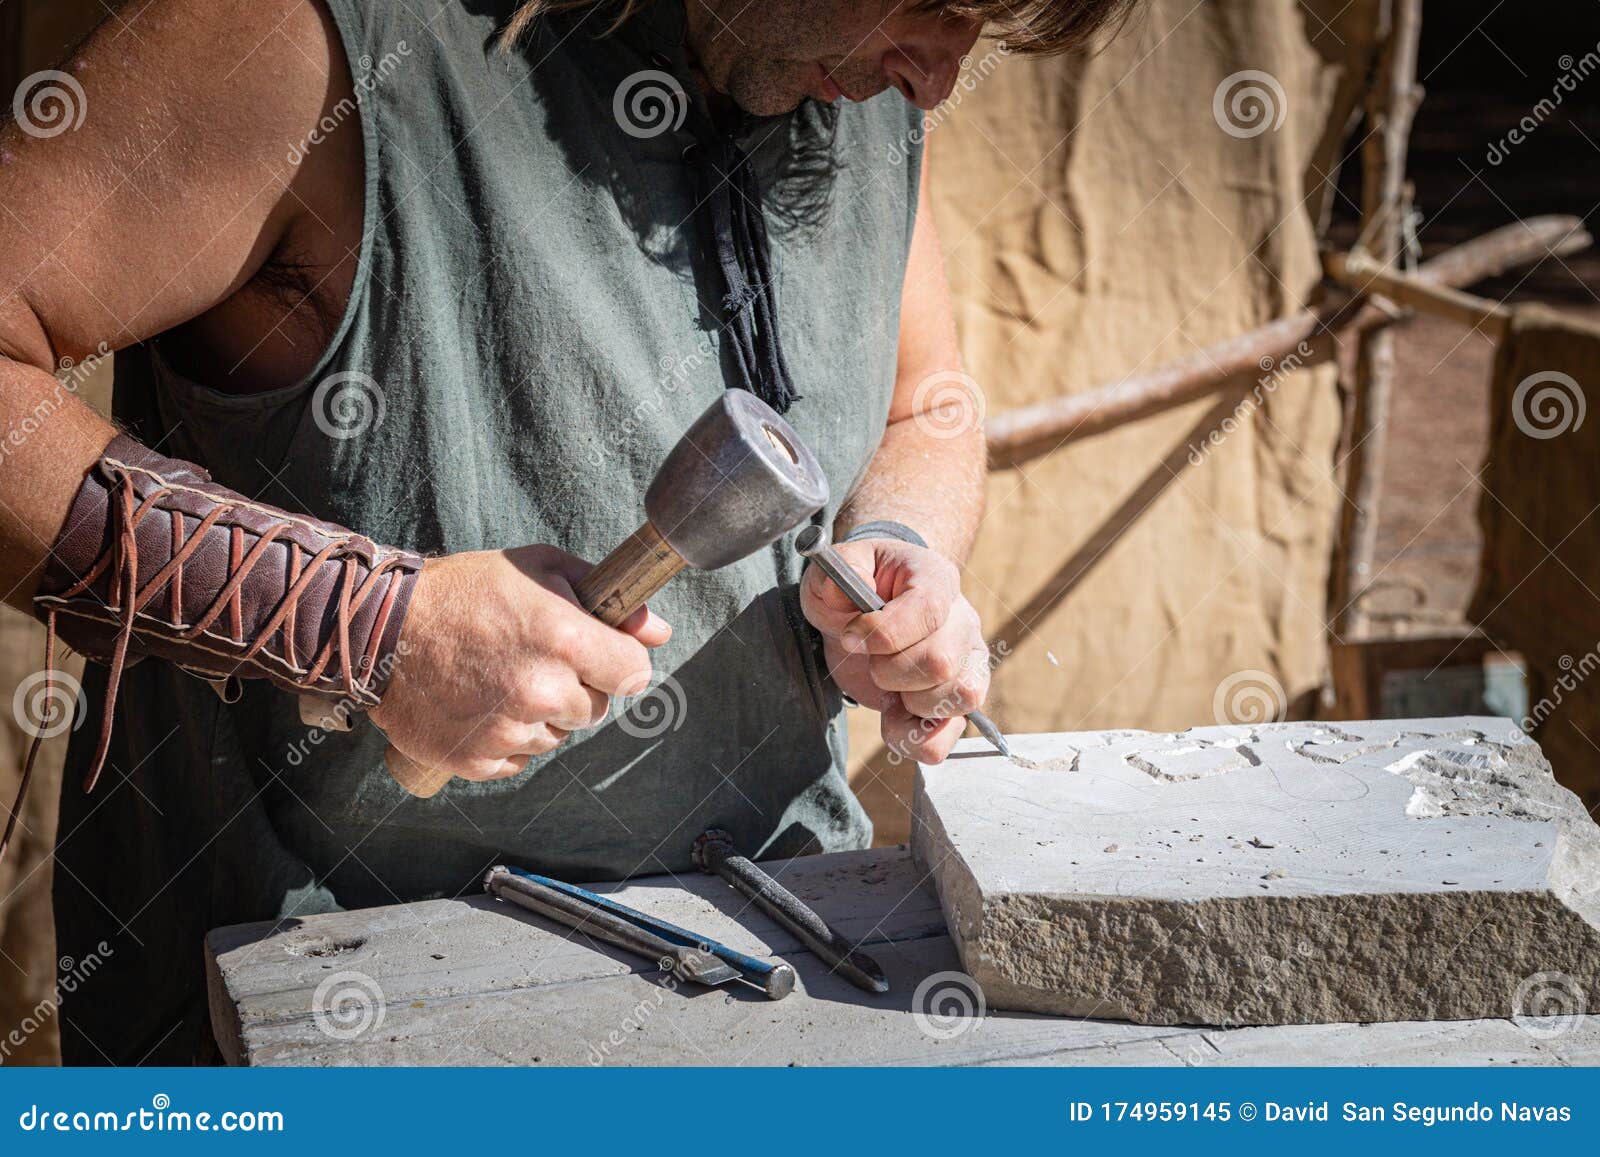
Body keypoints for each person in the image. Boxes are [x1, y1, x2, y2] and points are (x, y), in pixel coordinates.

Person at [0, 0, 1136, 1062]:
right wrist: (364, 622)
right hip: (338, 1017)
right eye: (933, 0)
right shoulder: (306, 44)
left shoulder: (860, 90)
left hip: (782, 973)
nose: (937, 78)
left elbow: (924, 400)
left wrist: (905, 544)